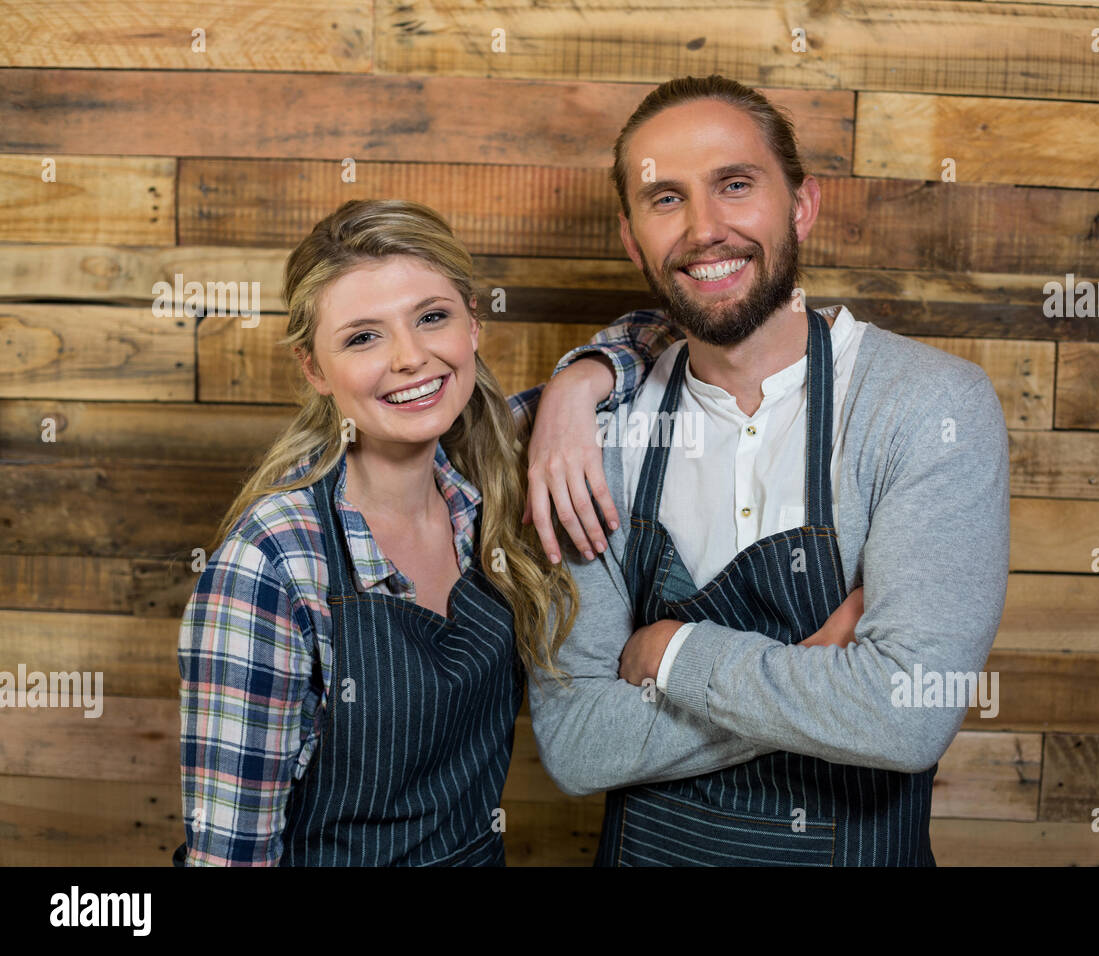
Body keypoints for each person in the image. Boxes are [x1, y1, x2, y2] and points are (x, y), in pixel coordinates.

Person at [526, 76, 1011, 866]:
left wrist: (675, 654)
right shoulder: (591, 441)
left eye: (736, 185)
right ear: (631, 237)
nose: (704, 229)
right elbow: (581, 745)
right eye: (665, 200)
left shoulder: (926, 407)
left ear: (802, 205)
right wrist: (826, 682)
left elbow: (907, 716)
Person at [177, 198, 673, 866]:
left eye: (432, 318)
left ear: (472, 324)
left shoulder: (487, 472)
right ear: (314, 369)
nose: (411, 358)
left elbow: (661, 327)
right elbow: (228, 859)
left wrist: (572, 392)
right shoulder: (271, 563)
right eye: (362, 337)